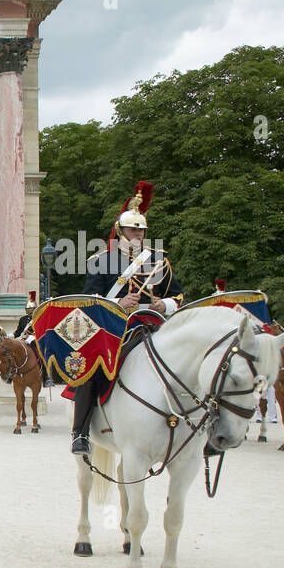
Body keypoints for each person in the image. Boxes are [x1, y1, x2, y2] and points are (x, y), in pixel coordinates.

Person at [70, 180, 182, 455]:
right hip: (115, 326)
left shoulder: (158, 261)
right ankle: (80, 433)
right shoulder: (101, 260)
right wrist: (118, 302)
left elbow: (178, 296)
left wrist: (162, 305)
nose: (138, 234)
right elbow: (88, 302)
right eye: (133, 228)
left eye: (141, 229)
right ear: (121, 230)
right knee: (91, 368)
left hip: (151, 323)